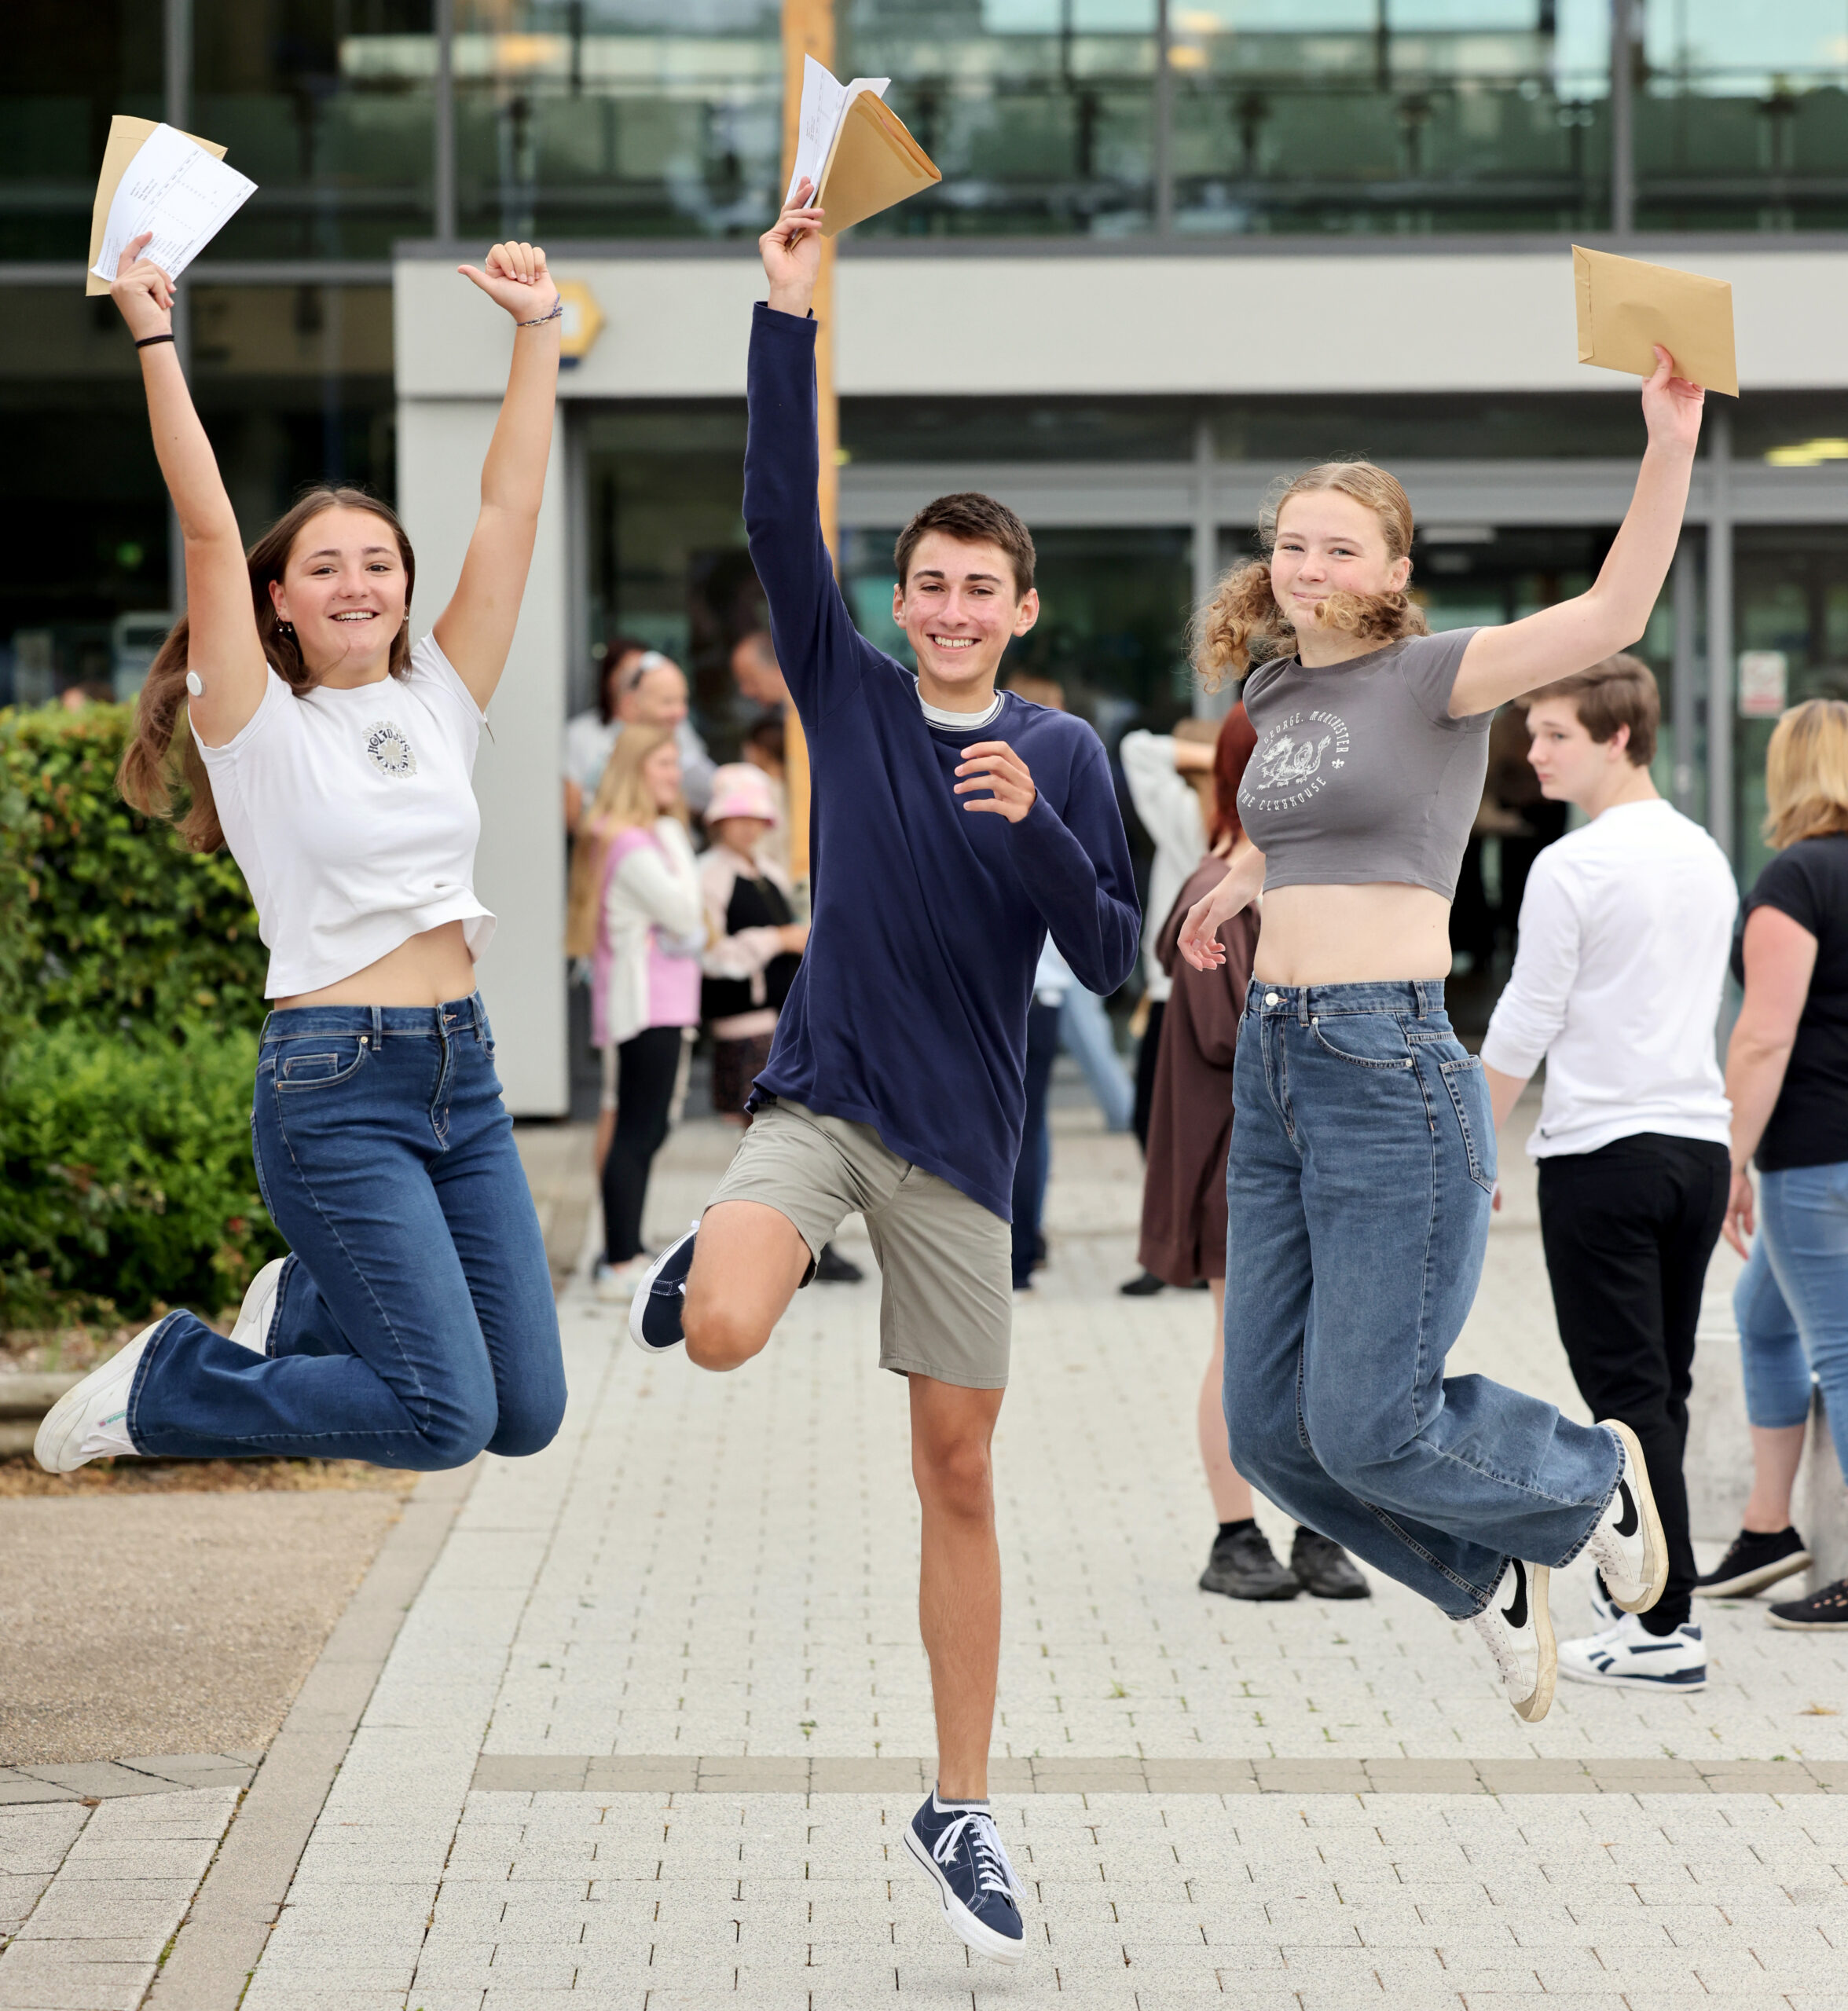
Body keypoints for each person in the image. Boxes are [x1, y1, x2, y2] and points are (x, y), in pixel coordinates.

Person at [627, 183, 1138, 1968]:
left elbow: (1113, 961)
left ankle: (962, 1799)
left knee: (962, 1474)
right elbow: (781, 507)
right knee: (720, 1335)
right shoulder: (839, 690)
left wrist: (1038, 846)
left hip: (963, 1149)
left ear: (1020, 606)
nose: (946, 608)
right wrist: (786, 310)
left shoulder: (1062, 751)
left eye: (977, 589)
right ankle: (706, 1251)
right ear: (899, 600)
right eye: (926, 582)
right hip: (821, 1101)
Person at [1177, 344, 1706, 1725]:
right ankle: (1493, 1573)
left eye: (1336, 546)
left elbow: (1615, 605)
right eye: (1289, 543)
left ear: (1391, 563)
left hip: (1385, 1066)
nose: (1304, 565)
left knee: (1364, 1418)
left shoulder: (1437, 676)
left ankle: (1587, 1477)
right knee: (1267, 1430)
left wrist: (1666, 442)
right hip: (1277, 1066)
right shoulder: (1272, 693)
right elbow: (1294, 833)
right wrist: (1232, 884)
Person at [37, 234, 567, 1476]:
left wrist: (537, 333)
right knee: (446, 1420)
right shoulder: (254, 725)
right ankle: (175, 1384)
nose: (358, 583)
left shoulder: (439, 692)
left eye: (378, 563)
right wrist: (156, 339)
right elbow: (212, 533)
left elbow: (511, 506)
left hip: (464, 1077)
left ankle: (306, 1311)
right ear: (280, 599)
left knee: (525, 1413)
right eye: (324, 567)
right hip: (337, 1086)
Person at [1481, 656, 1735, 1693]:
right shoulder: (1706, 853)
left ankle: (1664, 1627)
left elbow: (1525, 1020)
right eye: (1533, 732)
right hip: (1695, 1150)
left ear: (1619, 737)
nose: (1533, 752)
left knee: (1626, 1399)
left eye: (1554, 736)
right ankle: (1648, 1594)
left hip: (1604, 1156)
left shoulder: (1573, 866)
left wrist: (1469, 1147)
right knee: (1657, 1387)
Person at [1140, 705, 1367, 1603]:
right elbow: (1231, 1034)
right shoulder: (1218, 887)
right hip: (1240, 1159)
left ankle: (1318, 1528)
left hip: (1312, 1154)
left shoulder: (1302, 883)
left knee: (1317, 1346)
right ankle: (1236, 1533)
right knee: (1245, 1344)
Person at [1710, 699, 1848, 1628]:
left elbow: (1763, 1037)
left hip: (1815, 1152)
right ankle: (1768, 1528)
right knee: (1761, 1316)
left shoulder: (1797, 876)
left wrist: (1731, 1157)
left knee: (1838, 1352)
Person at [570, 723, 706, 1300]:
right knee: (635, 1129)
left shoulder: (646, 836)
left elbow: (693, 919)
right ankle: (618, 1259)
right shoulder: (628, 842)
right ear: (634, 772)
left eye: (676, 767)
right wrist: (676, 832)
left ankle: (629, 1248)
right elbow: (685, 912)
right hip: (641, 1007)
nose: (675, 778)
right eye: (663, 767)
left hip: (668, 1003)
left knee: (651, 1128)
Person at [1120, 715, 1217, 1294]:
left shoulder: (1184, 814)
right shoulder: (1229, 814)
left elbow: (1138, 747)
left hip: (1175, 992)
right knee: (1199, 1126)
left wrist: (1204, 756)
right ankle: (1188, 1248)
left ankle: (1173, 1250)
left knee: (1156, 1123)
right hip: (1203, 991)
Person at [564, 641, 717, 828]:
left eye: (683, 701)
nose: (679, 713)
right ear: (630, 704)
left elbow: (705, 787)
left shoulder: (677, 732)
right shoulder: (588, 739)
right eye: (668, 702)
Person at [562, 633, 647, 831]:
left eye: (642, 675)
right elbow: (572, 814)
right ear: (609, 677)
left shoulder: (667, 728)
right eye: (628, 674)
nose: (635, 684)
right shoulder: (580, 734)